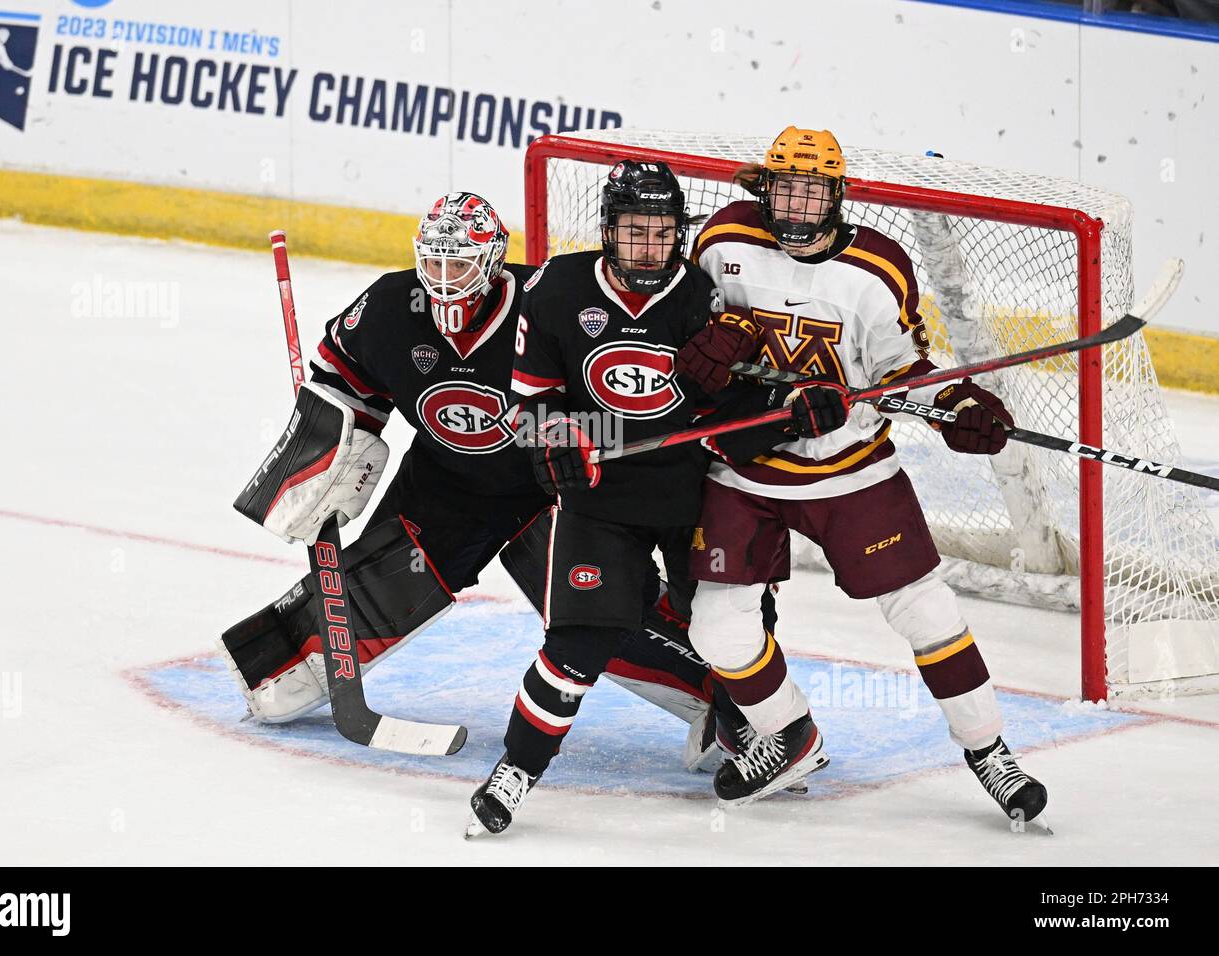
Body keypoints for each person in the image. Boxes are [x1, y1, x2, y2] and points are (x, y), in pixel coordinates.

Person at [223, 191, 733, 773]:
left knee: (600, 611)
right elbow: (342, 377)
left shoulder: (545, 301)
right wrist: (327, 460)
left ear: (491, 261)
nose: (443, 278)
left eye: (459, 262)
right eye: (433, 261)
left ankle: (721, 700)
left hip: (549, 491)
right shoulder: (392, 307)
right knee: (336, 623)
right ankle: (276, 663)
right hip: (446, 487)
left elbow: (608, 391)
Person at [676, 126, 1049, 822]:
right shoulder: (722, 241)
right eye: (784, 187)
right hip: (746, 467)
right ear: (764, 187)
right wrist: (716, 360)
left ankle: (988, 750)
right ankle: (790, 734)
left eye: (812, 190)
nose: (796, 205)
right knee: (717, 629)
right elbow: (696, 339)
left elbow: (905, 375)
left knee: (927, 611)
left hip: (851, 471)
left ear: (837, 195)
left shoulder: (877, 269)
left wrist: (959, 406)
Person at [466, 161, 817, 837]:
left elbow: (741, 410)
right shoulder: (557, 291)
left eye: (663, 233)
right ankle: (516, 769)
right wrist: (559, 433)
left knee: (734, 623)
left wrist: (792, 404)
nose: (650, 248)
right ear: (608, 232)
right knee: (578, 638)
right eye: (635, 233)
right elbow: (528, 407)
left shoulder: (703, 298)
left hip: (697, 498)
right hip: (602, 501)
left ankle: (749, 734)